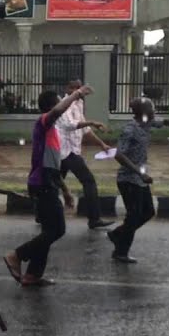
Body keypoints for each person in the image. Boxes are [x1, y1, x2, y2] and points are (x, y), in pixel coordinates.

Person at [3, 87, 93, 287]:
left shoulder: (53, 131)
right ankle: (16, 255)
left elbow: (53, 164)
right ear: (53, 106)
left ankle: (32, 275)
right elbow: (57, 112)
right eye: (60, 101)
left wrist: (66, 190)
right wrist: (76, 95)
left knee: (48, 230)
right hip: (42, 183)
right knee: (57, 230)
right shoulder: (43, 122)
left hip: (48, 181)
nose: (64, 106)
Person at [107, 97, 169, 263]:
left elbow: (168, 122)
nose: (155, 111)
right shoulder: (130, 129)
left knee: (148, 212)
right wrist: (139, 173)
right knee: (134, 216)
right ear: (143, 112)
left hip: (140, 178)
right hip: (128, 179)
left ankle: (117, 234)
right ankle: (120, 252)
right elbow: (118, 154)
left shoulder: (147, 122)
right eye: (152, 109)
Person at [55, 79, 113, 230]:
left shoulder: (79, 104)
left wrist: (102, 144)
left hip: (71, 150)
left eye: (78, 88)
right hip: (65, 151)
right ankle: (94, 219)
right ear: (67, 88)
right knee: (89, 181)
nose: (76, 90)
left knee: (53, 184)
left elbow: (85, 130)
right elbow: (69, 125)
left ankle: (41, 215)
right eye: (73, 87)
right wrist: (92, 122)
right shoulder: (64, 105)